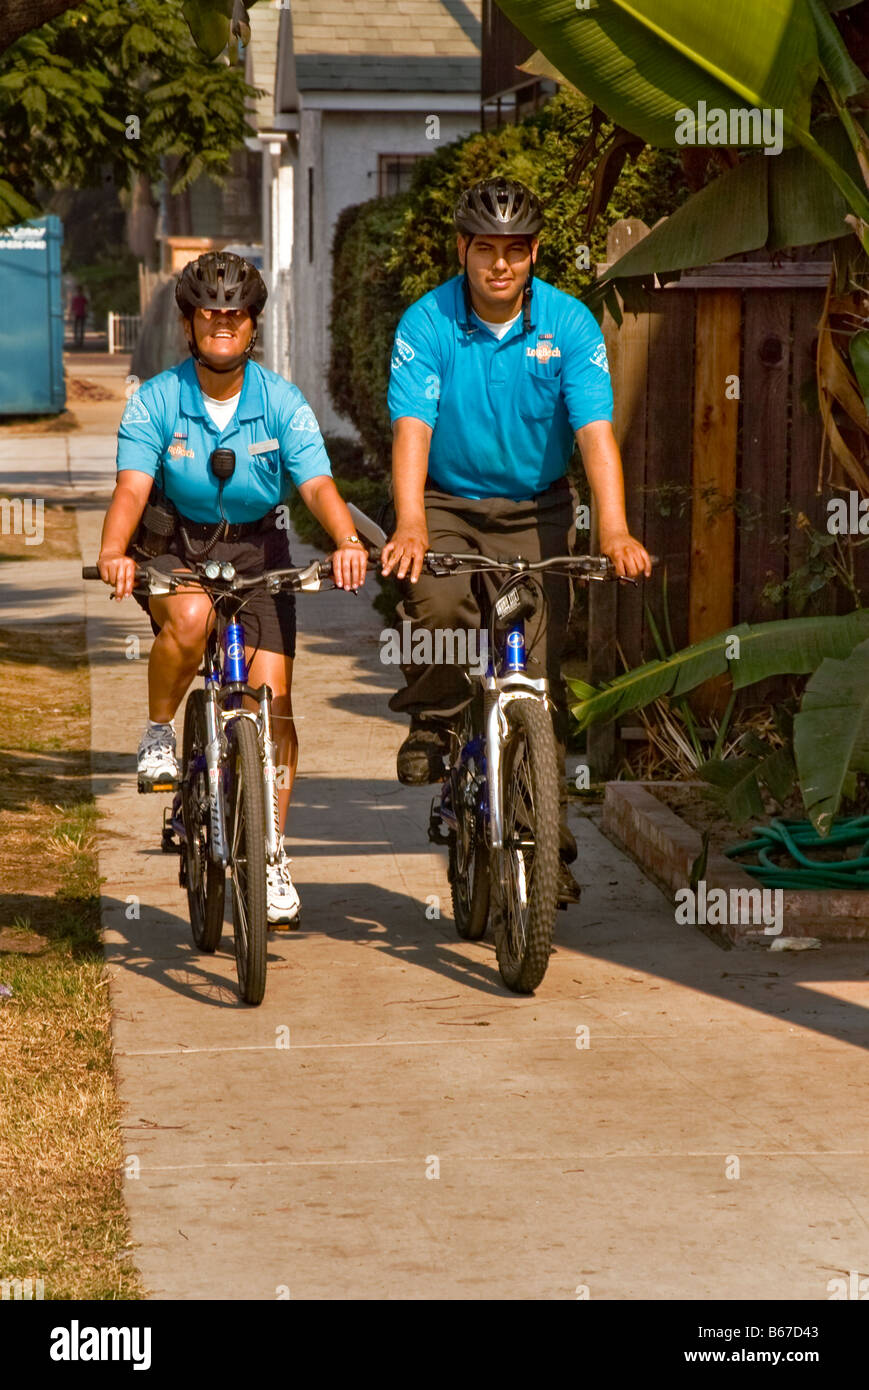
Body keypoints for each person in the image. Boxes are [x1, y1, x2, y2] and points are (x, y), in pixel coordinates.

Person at [381, 176, 651, 901]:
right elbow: (412, 430)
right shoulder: (427, 322)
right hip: (446, 503)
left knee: (536, 673)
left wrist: (615, 529)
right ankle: (435, 724)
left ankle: (544, 844)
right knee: (438, 609)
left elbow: (595, 434)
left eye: (514, 251)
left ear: (533, 253)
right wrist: (410, 522)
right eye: (485, 251)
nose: (499, 266)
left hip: (538, 511)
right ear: (462, 251)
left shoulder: (568, 325)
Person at [96, 251, 367, 925]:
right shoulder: (157, 399)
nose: (223, 325)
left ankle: (271, 852)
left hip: (258, 545)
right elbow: (132, 486)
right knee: (188, 621)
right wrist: (112, 550)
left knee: (273, 701)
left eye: (236, 315)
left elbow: (316, 485)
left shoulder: (282, 401)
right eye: (210, 314)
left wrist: (348, 541)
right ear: (190, 325)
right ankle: (160, 730)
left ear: (253, 327)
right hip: (173, 542)